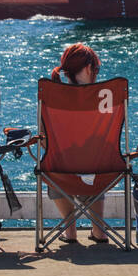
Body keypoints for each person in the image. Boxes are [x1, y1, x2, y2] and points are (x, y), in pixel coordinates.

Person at [47, 42, 108, 243]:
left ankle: (70, 230)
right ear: (90, 68)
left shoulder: (52, 96)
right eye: (96, 69)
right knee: (95, 165)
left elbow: (44, 138)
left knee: (53, 164)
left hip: (61, 170)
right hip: (103, 168)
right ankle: (99, 230)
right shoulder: (106, 96)